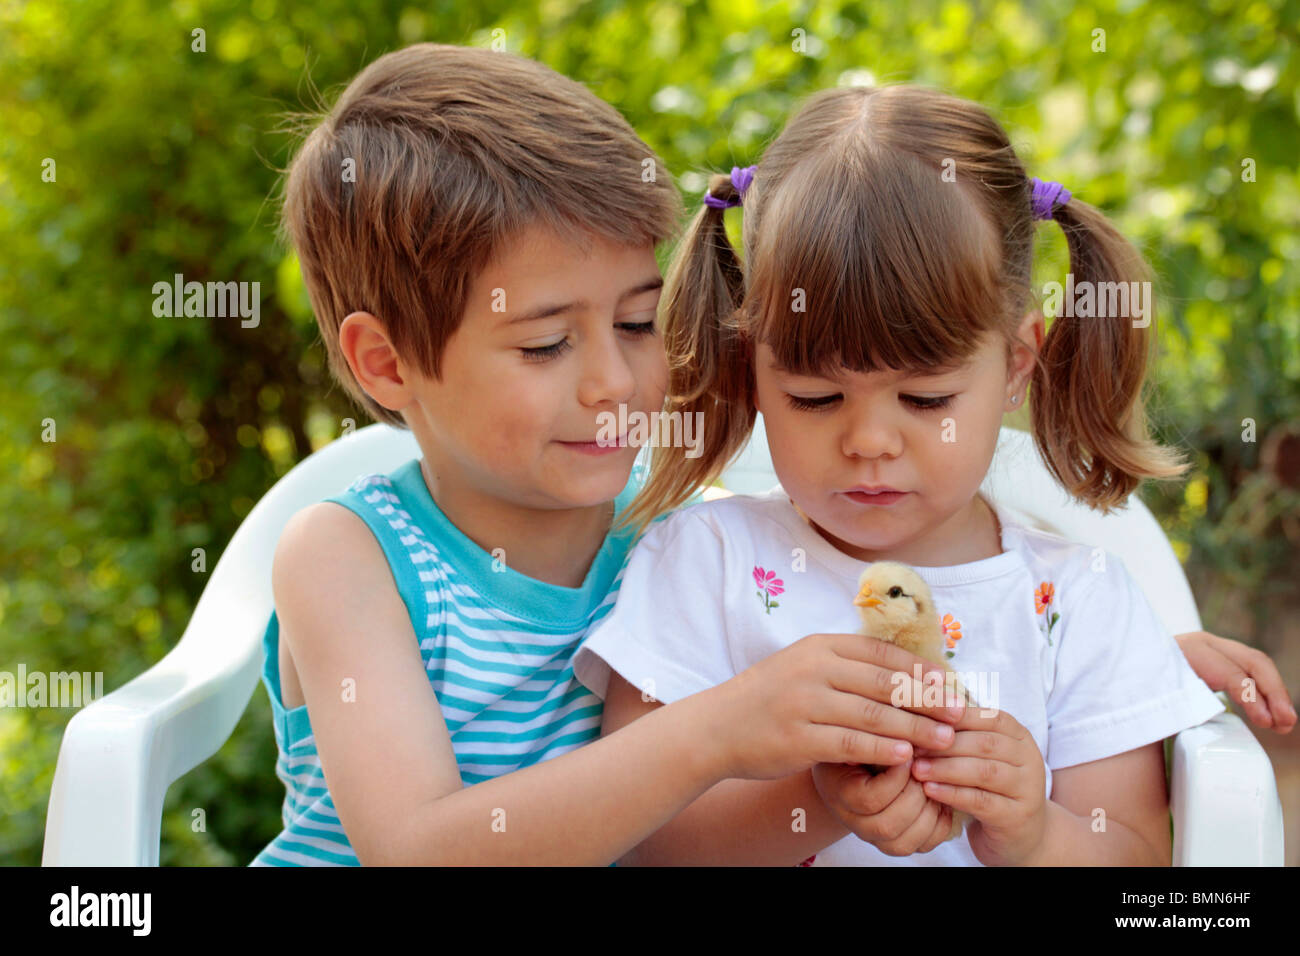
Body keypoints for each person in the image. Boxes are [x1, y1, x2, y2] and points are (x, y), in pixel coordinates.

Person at [250, 45, 971, 865]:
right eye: (547, 344)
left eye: (636, 323)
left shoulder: (688, 539)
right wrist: (717, 733)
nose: (613, 381)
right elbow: (417, 849)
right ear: (386, 363)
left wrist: (825, 790)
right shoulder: (350, 558)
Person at [577, 83, 1295, 866]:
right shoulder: (703, 565)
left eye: (926, 398)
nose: (870, 441)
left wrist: (1034, 832)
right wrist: (813, 801)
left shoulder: (1081, 605)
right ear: (752, 369)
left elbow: (1140, 874)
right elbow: (641, 843)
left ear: (1017, 365)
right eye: (815, 397)